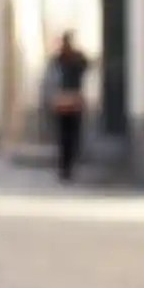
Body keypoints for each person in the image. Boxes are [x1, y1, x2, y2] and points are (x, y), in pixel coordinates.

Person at [50, 31, 90, 182]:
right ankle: (66, 167)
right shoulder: (71, 58)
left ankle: (66, 167)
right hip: (69, 102)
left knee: (67, 137)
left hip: (67, 102)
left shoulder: (62, 59)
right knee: (69, 137)